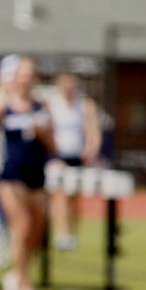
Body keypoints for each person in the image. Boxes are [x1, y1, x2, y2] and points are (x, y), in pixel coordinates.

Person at [0, 55, 47, 290]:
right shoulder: (2, 105)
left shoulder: (41, 106)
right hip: (11, 174)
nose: (27, 79)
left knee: (36, 233)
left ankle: (17, 272)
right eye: (23, 74)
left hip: (37, 175)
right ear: (15, 78)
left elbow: (54, 145)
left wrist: (44, 133)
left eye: (31, 75)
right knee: (23, 226)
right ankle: (21, 283)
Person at [43, 69, 102, 254]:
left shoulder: (85, 104)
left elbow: (93, 130)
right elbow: (46, 131)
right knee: (59, 196)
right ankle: (61, 234)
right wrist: (51, 155)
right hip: (58, 157)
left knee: (73, 198)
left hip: (77, 156)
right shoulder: (52, 104)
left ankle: (72, 232)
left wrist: (91, 149)